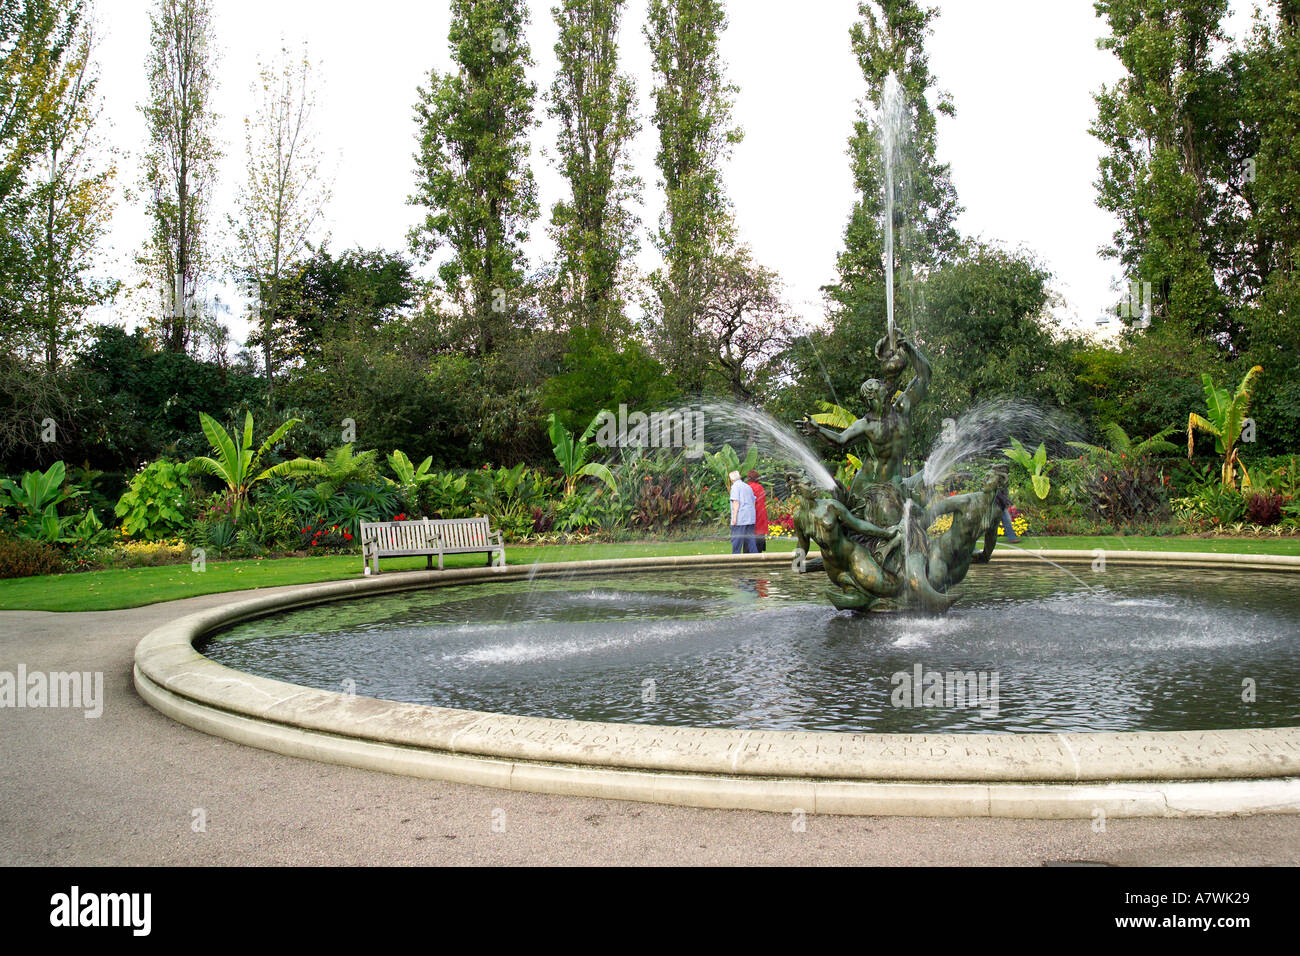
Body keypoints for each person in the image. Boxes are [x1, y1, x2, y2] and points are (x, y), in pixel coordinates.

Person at [728, 469, 757, 554]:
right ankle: (756, 560)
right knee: (751, 542)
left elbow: (736, 503)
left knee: (736, 542)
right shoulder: (747, 486)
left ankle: (735, 560)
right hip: (750, 517)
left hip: (740, 519)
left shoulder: (735, 487)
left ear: (731, 479)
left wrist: (734, 519)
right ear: (740, 477)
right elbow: (754, 501)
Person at [746, 469, 768, 552]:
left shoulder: (748, 487)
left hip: (753, 513)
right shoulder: (760, 487)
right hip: (761, 514)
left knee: (752, 533)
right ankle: (759, 550)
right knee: (760, 533)